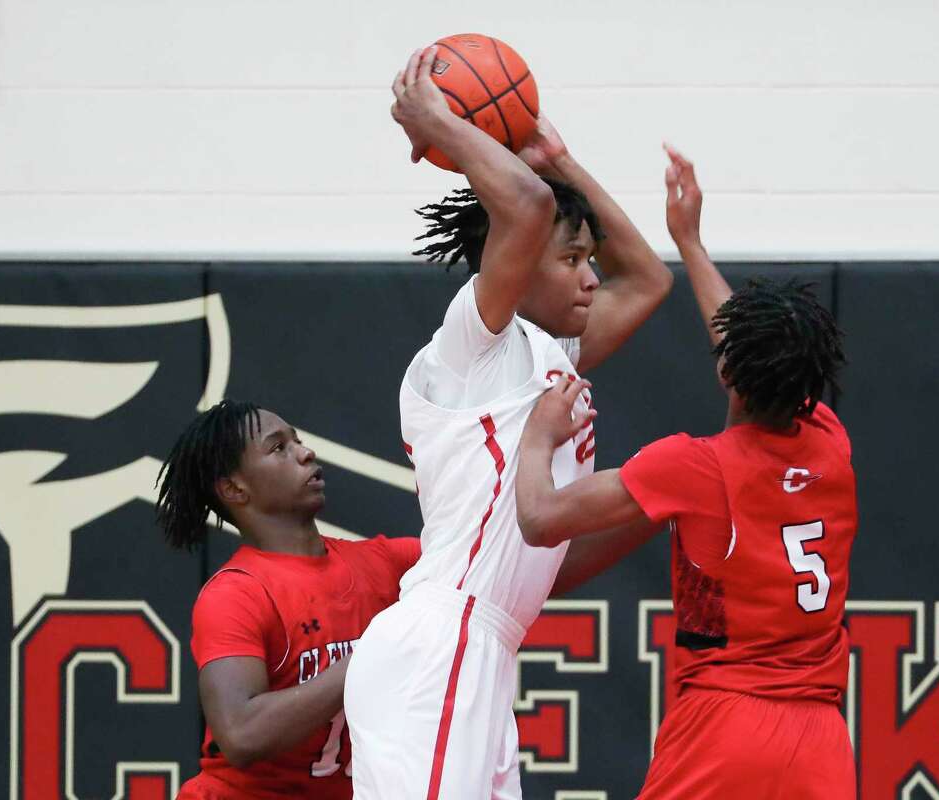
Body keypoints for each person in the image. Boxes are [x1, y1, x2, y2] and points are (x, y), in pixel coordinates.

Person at [344, 47, 673, 799]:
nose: (593, 276)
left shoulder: (551, 354)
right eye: (573, 260)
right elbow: (524, 206)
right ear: (517, 264)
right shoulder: (472, 344)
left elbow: (649, 279)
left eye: (592, 259)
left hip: (485, 651)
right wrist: (441, 125)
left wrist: (564, 160)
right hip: (437, 646)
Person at [515, 146, 857, 799]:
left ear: (729, 370)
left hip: (724, 724)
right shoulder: (828, 441)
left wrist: (538, 436)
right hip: (820, 740)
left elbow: (539, 518)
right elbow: (747, 345)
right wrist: (689, 243)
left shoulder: (697, 467)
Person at [156, 399, 420, 799]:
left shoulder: (382, 562)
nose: (305, 451)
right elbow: (241, 733)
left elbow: (510, 564)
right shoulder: (235, 594)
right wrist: (368, 658)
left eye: (297, 440)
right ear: (234, 488)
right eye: (278, 447)